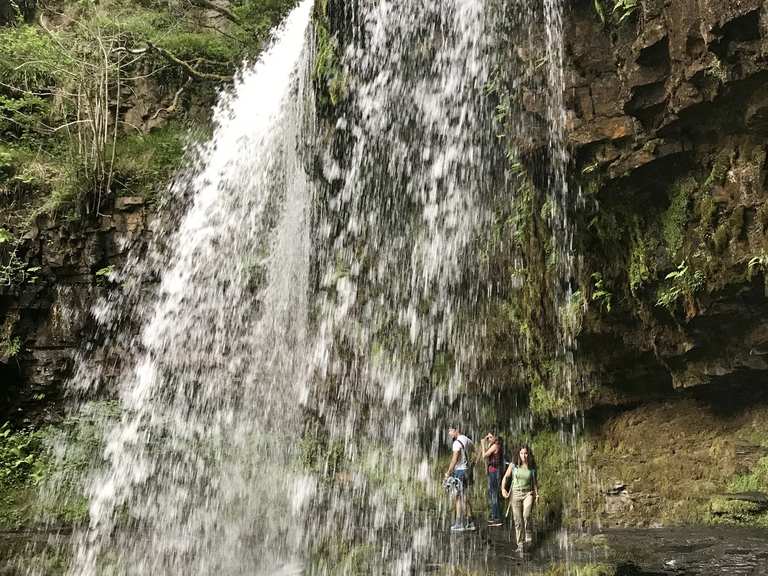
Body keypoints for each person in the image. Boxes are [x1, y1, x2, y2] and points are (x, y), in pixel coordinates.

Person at [501, 444, 538, 552]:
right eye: (521, 453)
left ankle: (528, 533)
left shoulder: (532, 466)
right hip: (515, 494)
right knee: (518, 520)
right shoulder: (513, 465)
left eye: (526, 453)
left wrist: (537, 494)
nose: (524, 456)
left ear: (529, 454)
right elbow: (506, 477)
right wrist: (503, 489)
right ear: (518, 454)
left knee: (526, 515)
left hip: (528, 493)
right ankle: (520, 544)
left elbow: (535, 482)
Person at [444, 426, 476, 532]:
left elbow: (454, 459)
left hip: (459, 472)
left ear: (456, 430)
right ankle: (470, 522)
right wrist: (471, 464)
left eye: (450, 431)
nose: (449, 433)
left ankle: (459, 523)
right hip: (467, 471)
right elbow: (475, 451)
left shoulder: (456, 443)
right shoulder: (467, 439)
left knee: (458, 497)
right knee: (465, 496)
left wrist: (448, 473)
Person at [481, 432, 504, 527]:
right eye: (488, 437)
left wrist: (483, 444)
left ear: (495, 437)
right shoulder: (496, 445)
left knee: (494, 494)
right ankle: (494, 515)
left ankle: (497, 518)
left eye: (490, 437)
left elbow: (484, 455)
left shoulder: (495, 446)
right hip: (493, 471)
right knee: (492, 493)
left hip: (495, 472)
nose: (488, 439)